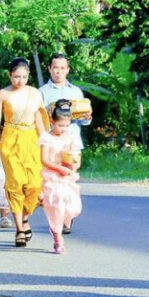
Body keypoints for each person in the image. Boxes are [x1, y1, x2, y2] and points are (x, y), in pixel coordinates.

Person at [0, 58, 46, 247]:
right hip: (11, 140)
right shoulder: (3, 94)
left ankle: (25, 217)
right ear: (10, 75)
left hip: (32, 140)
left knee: (34, 184)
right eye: (16, 76)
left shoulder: (34, 93)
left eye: (24, 77)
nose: (20, 80)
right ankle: (19, 228)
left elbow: (40, 119)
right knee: (15, 184)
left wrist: (48, 144)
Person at [39, 53, 91, 234]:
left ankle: (67, 218)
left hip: (72, 142)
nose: (59, 71)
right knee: (54, 182)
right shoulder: (42, 92)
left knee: (70, 181)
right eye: (55, 67)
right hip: (53, 143)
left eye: (62, 68)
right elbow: (40, 120)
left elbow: (82, 119)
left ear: (68, 70)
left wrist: (86, 117)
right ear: (49, 69)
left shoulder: (76, 92)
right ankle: (57, 216)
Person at [39, 99, 83, 254]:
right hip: (53, 177)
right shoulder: (47, 138)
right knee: (56, 207)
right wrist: (58, 168)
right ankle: (58, 239)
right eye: (60, 125)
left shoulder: (69, 137)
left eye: (66, 125)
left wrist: (74, 165)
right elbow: (44, 159)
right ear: (52, 122)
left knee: (72, 207)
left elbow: (76, 156)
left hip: (66, 176)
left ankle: (64, 223)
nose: (63, 129)